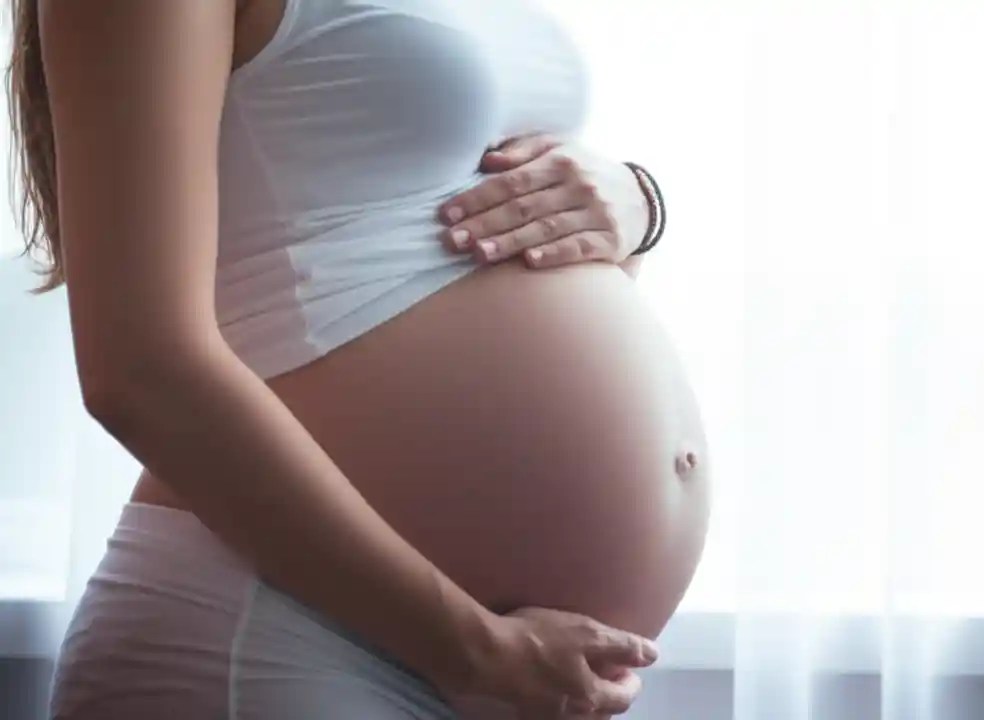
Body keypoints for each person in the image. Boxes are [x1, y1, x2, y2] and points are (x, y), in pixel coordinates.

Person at [9, 0, 712, 717]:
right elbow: (141, 370)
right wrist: (466, 647)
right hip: (280, 634)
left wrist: (632, 206)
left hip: (504, 669)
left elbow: (451, 228)